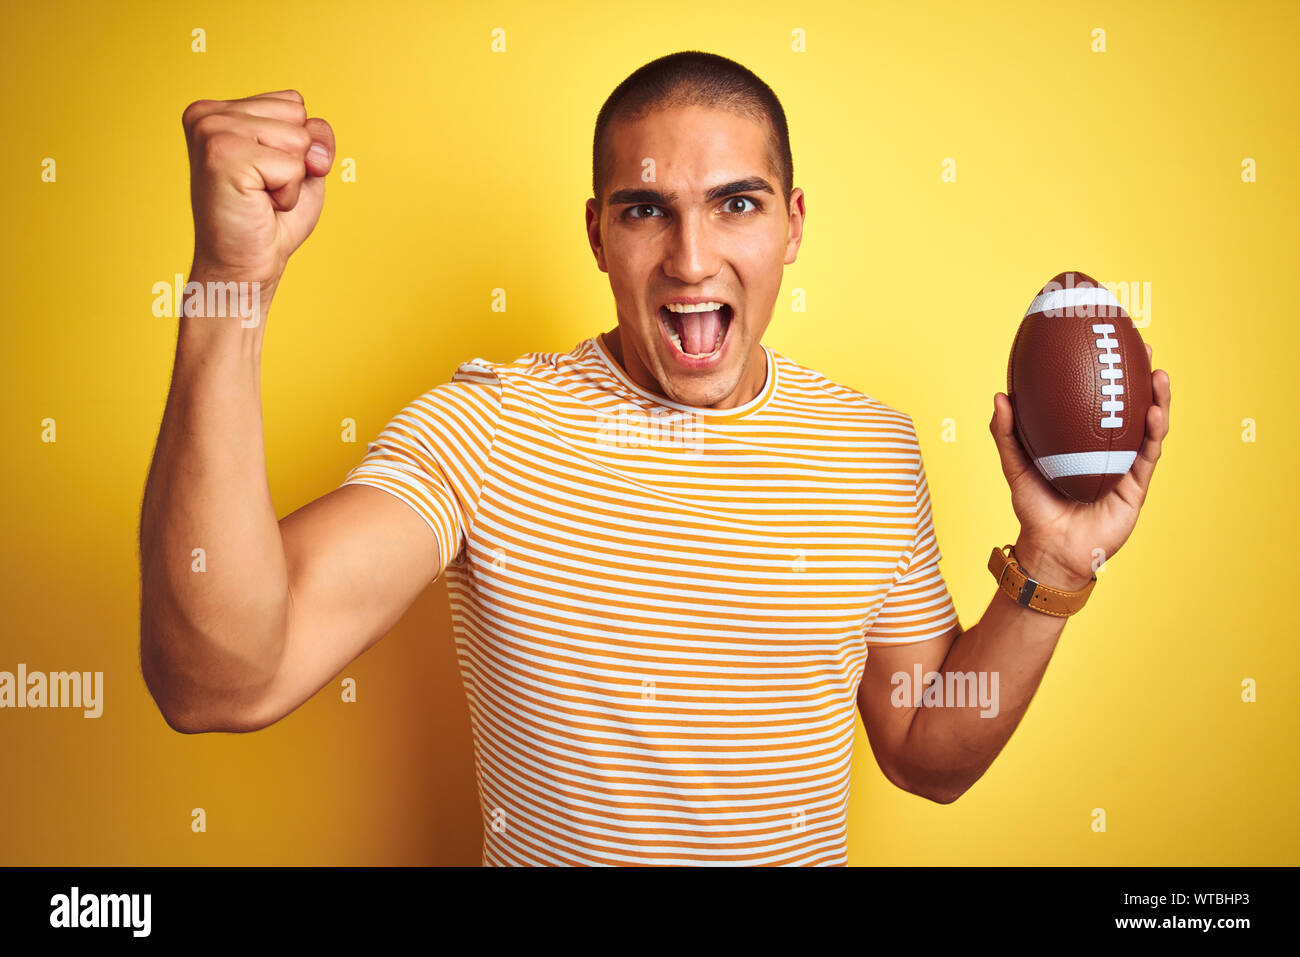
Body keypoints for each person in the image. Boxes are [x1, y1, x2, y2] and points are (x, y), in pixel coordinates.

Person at [139, 51, 1171, 866]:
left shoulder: (869, 448)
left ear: (792, 224)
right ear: (596, 233)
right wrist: (232, 283)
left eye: (736, 202)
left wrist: (1055, 566)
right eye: (645, 210)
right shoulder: (488, 428)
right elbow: (222, 684)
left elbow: (925, 751)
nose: (688, 258)